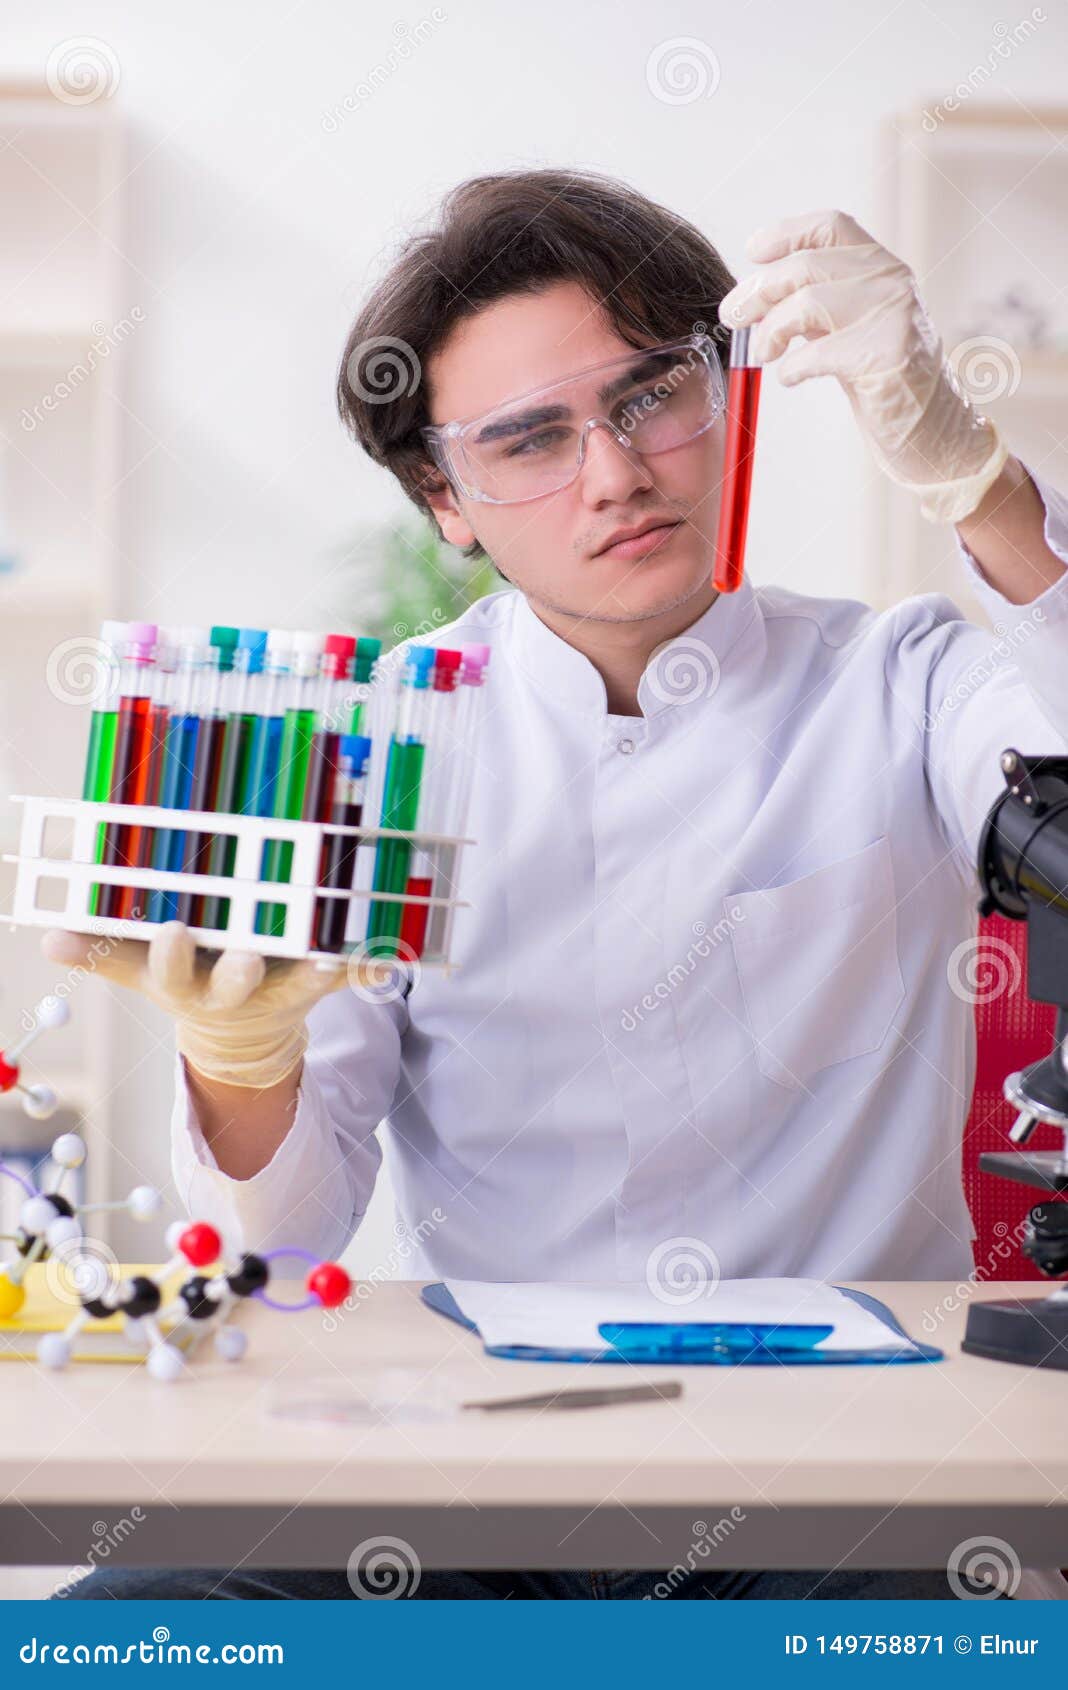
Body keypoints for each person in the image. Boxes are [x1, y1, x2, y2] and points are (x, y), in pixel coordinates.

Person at [53, 171, 1068, 1601]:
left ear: (727, 393)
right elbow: (275, 1255)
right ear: (446, 503)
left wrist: (979, 483)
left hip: (849, 1466)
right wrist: (238, 1053)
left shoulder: (902, 681)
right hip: (487, 1466)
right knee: (129, 1626)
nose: (616, 472)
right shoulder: (376, 748)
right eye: (529, 438)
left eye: (654, 394)